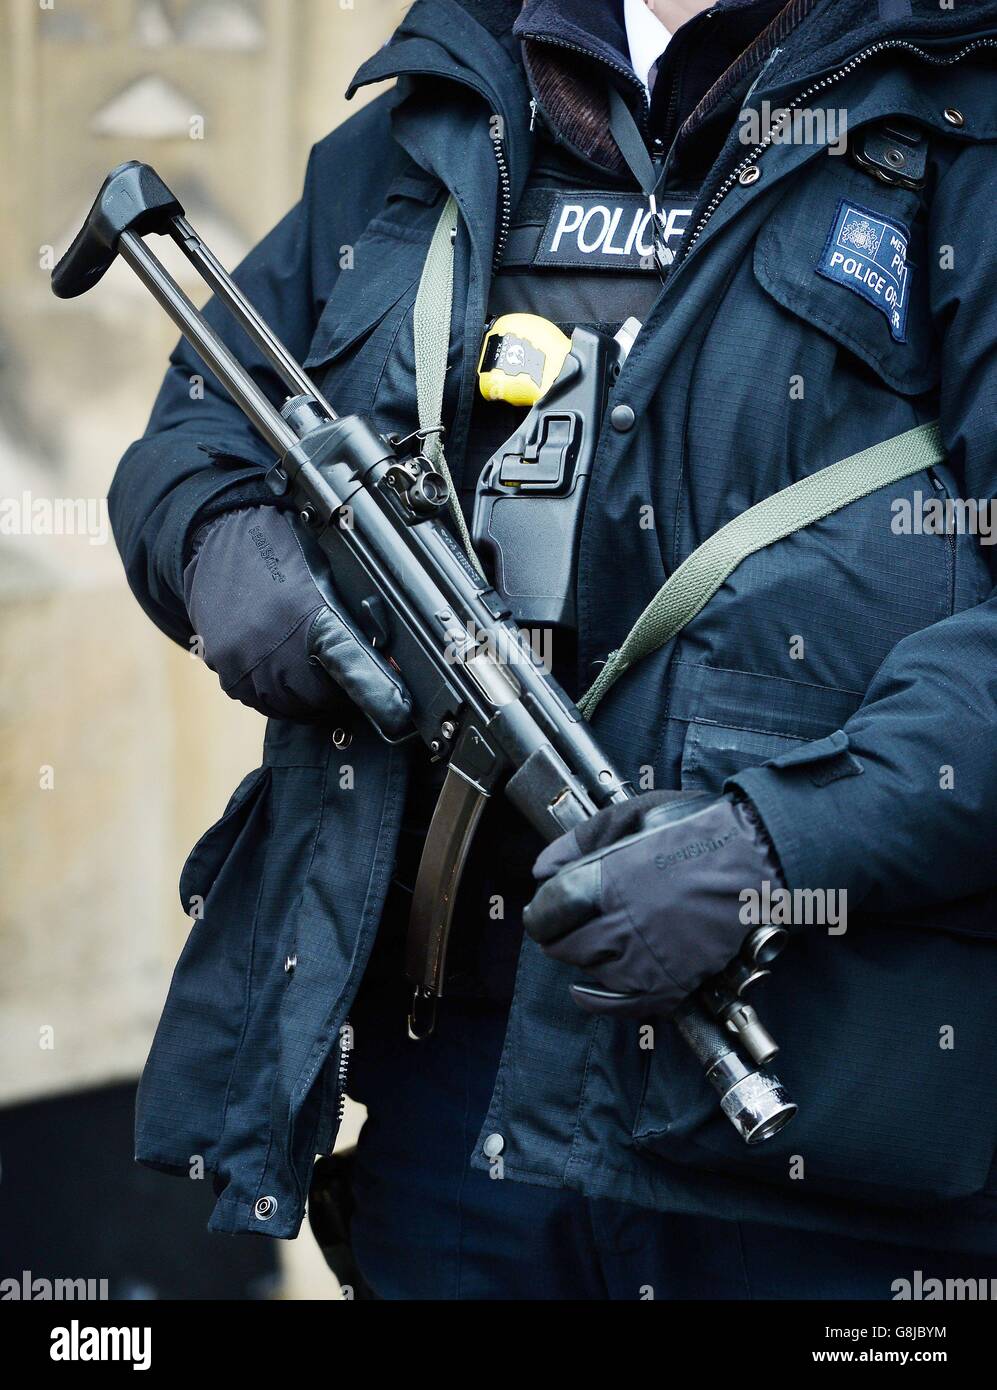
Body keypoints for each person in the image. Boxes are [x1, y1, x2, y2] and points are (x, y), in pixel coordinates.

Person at [110, 0, 997, 1299]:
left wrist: (772, 846)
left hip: (822, 1131)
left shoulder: (953, 132)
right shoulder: (437, 116)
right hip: (457, 1118)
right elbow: (204, 422)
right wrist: (215, 542)